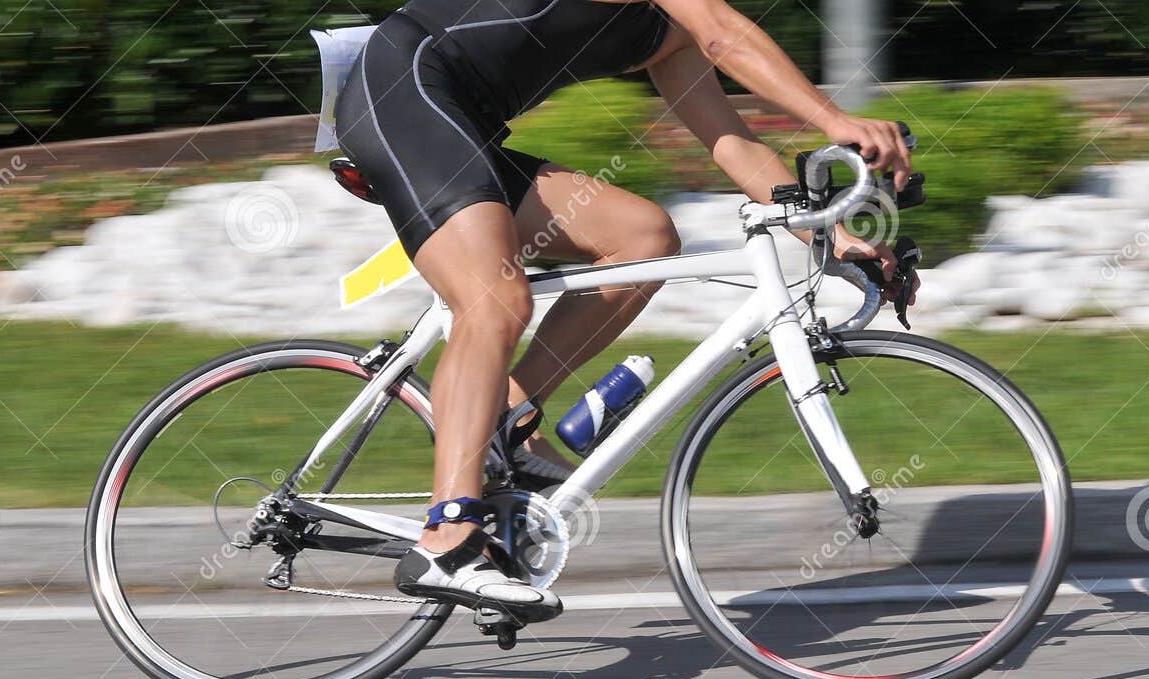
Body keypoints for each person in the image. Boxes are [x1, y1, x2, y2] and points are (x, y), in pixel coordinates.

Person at [335, 0, 914, 622]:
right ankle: (447, 538)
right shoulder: (699, 19)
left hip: (457, 123)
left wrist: (836, 240)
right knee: (495, 302)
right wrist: (833, 119)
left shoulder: (670, 34)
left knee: (642, 236)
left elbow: (733, 144)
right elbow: (725, 35)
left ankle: (502, 414)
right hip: (404, 89)